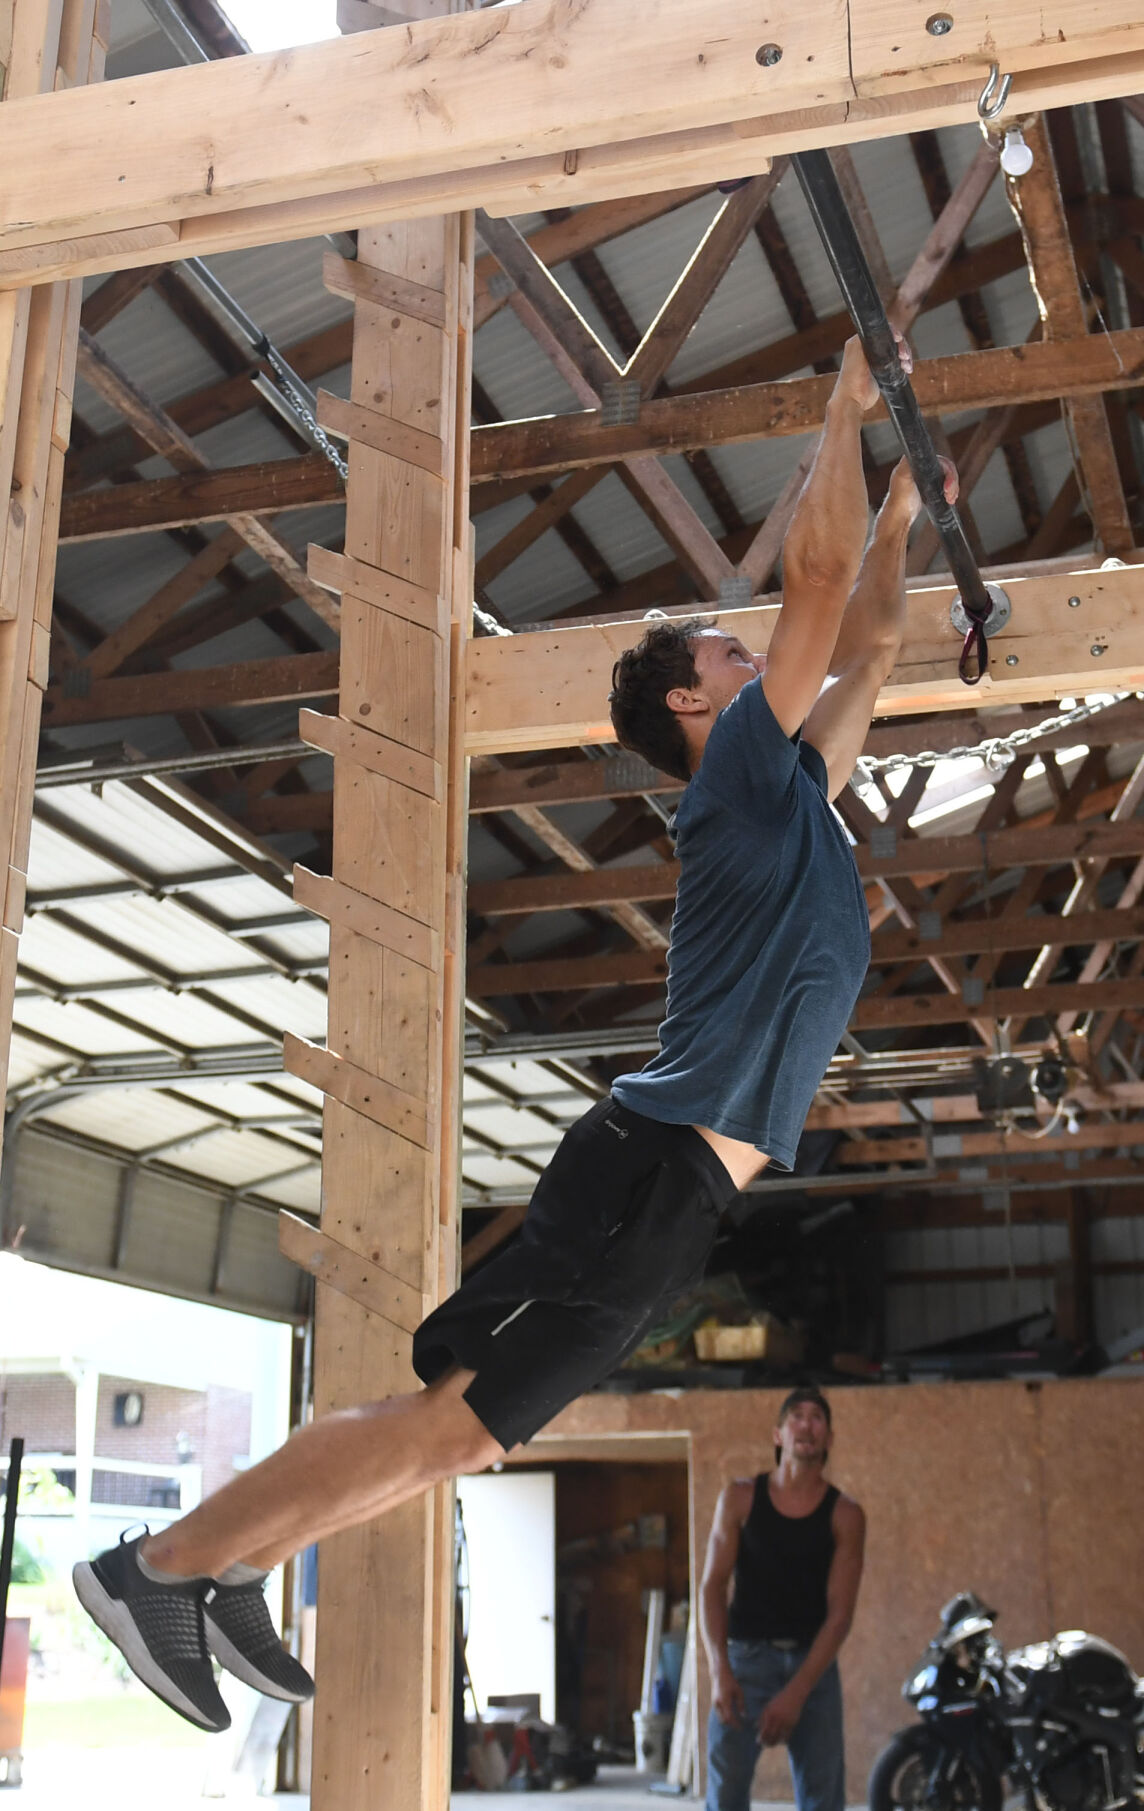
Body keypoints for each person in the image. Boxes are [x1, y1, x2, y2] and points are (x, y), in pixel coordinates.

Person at [73, 334, 955, 1735]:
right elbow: (820, 583)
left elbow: (878, 634)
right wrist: (842, 412)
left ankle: (230, 1558)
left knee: (462, 1436)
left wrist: (905, 502)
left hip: (676, 1191)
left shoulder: (788, 788)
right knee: (452, 1423)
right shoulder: (736, 770)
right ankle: (156, 1565)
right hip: (650, 1171)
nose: (754, 652)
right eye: (728, 652)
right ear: (695, 704)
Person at [700, 1387, 865, 1811]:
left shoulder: (845, 1514)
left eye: (817, 1418)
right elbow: (712, 1587)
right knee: (725, 1796)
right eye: (796, 1416)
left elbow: (840, 1616)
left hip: (813, 1666)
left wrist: (797, 1692)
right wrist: (719, 1670)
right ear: (778, 1435)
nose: (806, 1425)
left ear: (829, 1438)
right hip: (744, 1662)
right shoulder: (739, 1498)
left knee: (823, 1800)